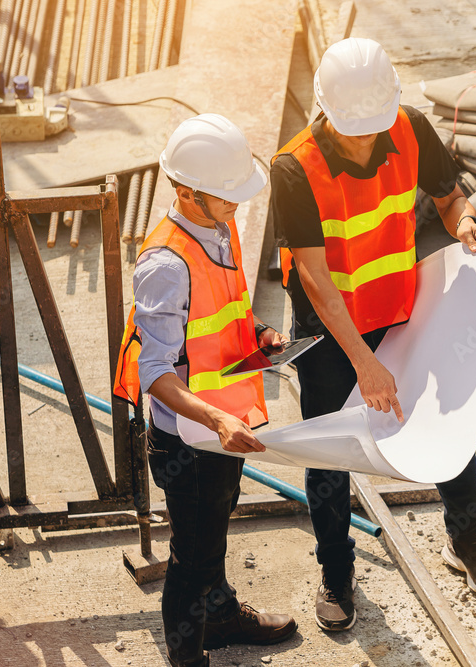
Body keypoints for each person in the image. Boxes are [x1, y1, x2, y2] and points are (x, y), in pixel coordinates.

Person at [270, 38, 476, 633]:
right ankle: (336, 571)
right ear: (325, 111)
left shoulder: (407, 128)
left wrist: (467, 225)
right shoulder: (294, 168)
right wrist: (365, 366)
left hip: (402, 307)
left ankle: (467, 539)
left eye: (373, 128)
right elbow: (316, 282)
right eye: (354, 131)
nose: (366, 139)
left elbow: (450, 198)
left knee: (445, 418)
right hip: (330, 331)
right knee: (334, 451)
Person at [113, 114, 297, 667]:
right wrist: (217, 422)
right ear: (188, 194)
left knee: (213, 535)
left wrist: (258, 331)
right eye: (225, 199)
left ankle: (217, 617)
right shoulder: (165, 265)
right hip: (190, 441)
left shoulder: (218, 228)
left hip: (222, 424)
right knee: (191, 558)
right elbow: (157, 372)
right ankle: (187, 658)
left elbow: (224, 311)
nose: (236, 208)